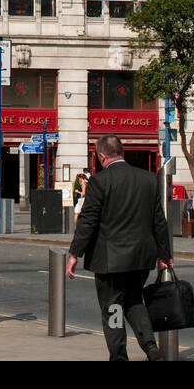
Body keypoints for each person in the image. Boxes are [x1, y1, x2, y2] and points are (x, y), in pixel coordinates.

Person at [66, 135, 173, 361]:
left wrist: (75, 253)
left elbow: (88, 220)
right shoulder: (148, 179)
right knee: (134, 301)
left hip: (110, 260)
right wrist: (164, 255)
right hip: (141, 257)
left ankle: (119, 356)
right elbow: (159, 221)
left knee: (113, 308)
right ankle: (151, 349)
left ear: (102, 156)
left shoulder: (99, 181)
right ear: (121, 151)